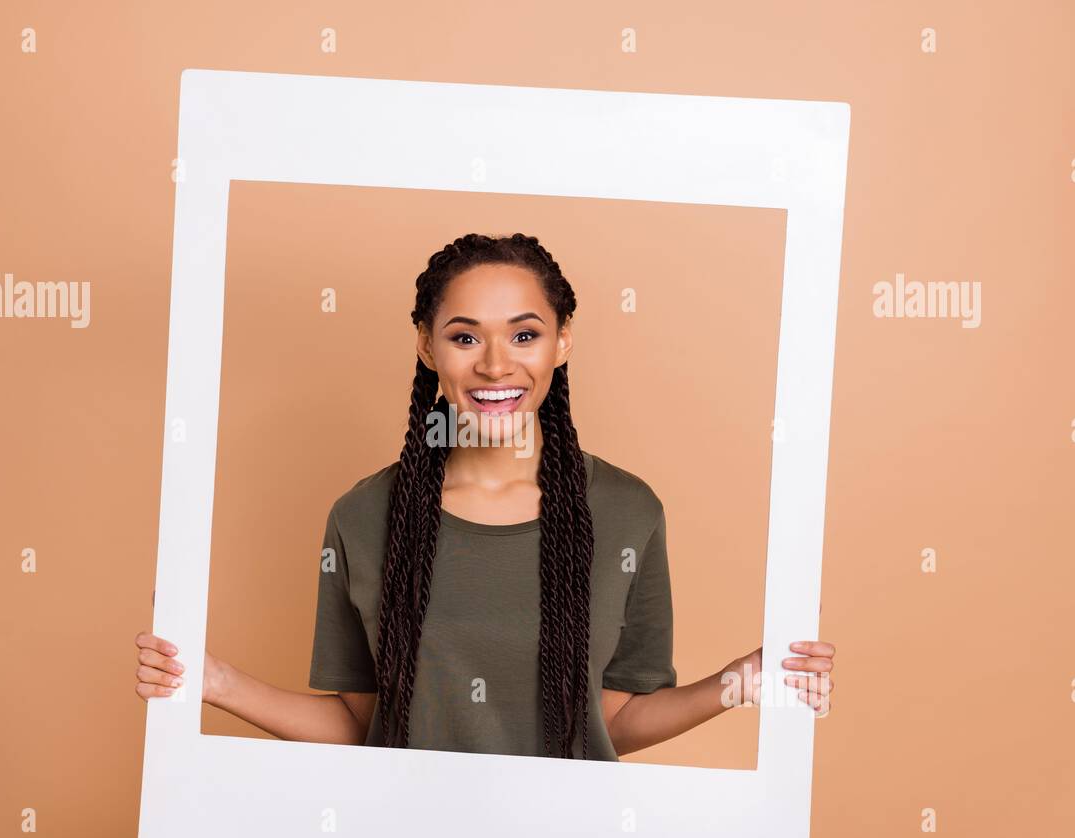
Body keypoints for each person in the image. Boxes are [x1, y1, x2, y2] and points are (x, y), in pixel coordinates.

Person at [135, 233, 835, 760]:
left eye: (524, 335)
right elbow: (361, 724)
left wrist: (736, 683)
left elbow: (613, 720)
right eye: (465, 336)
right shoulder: (363, 516)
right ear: (425, 346)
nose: (496, 364)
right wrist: (216, 682)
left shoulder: (628, 511)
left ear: (561, 342)